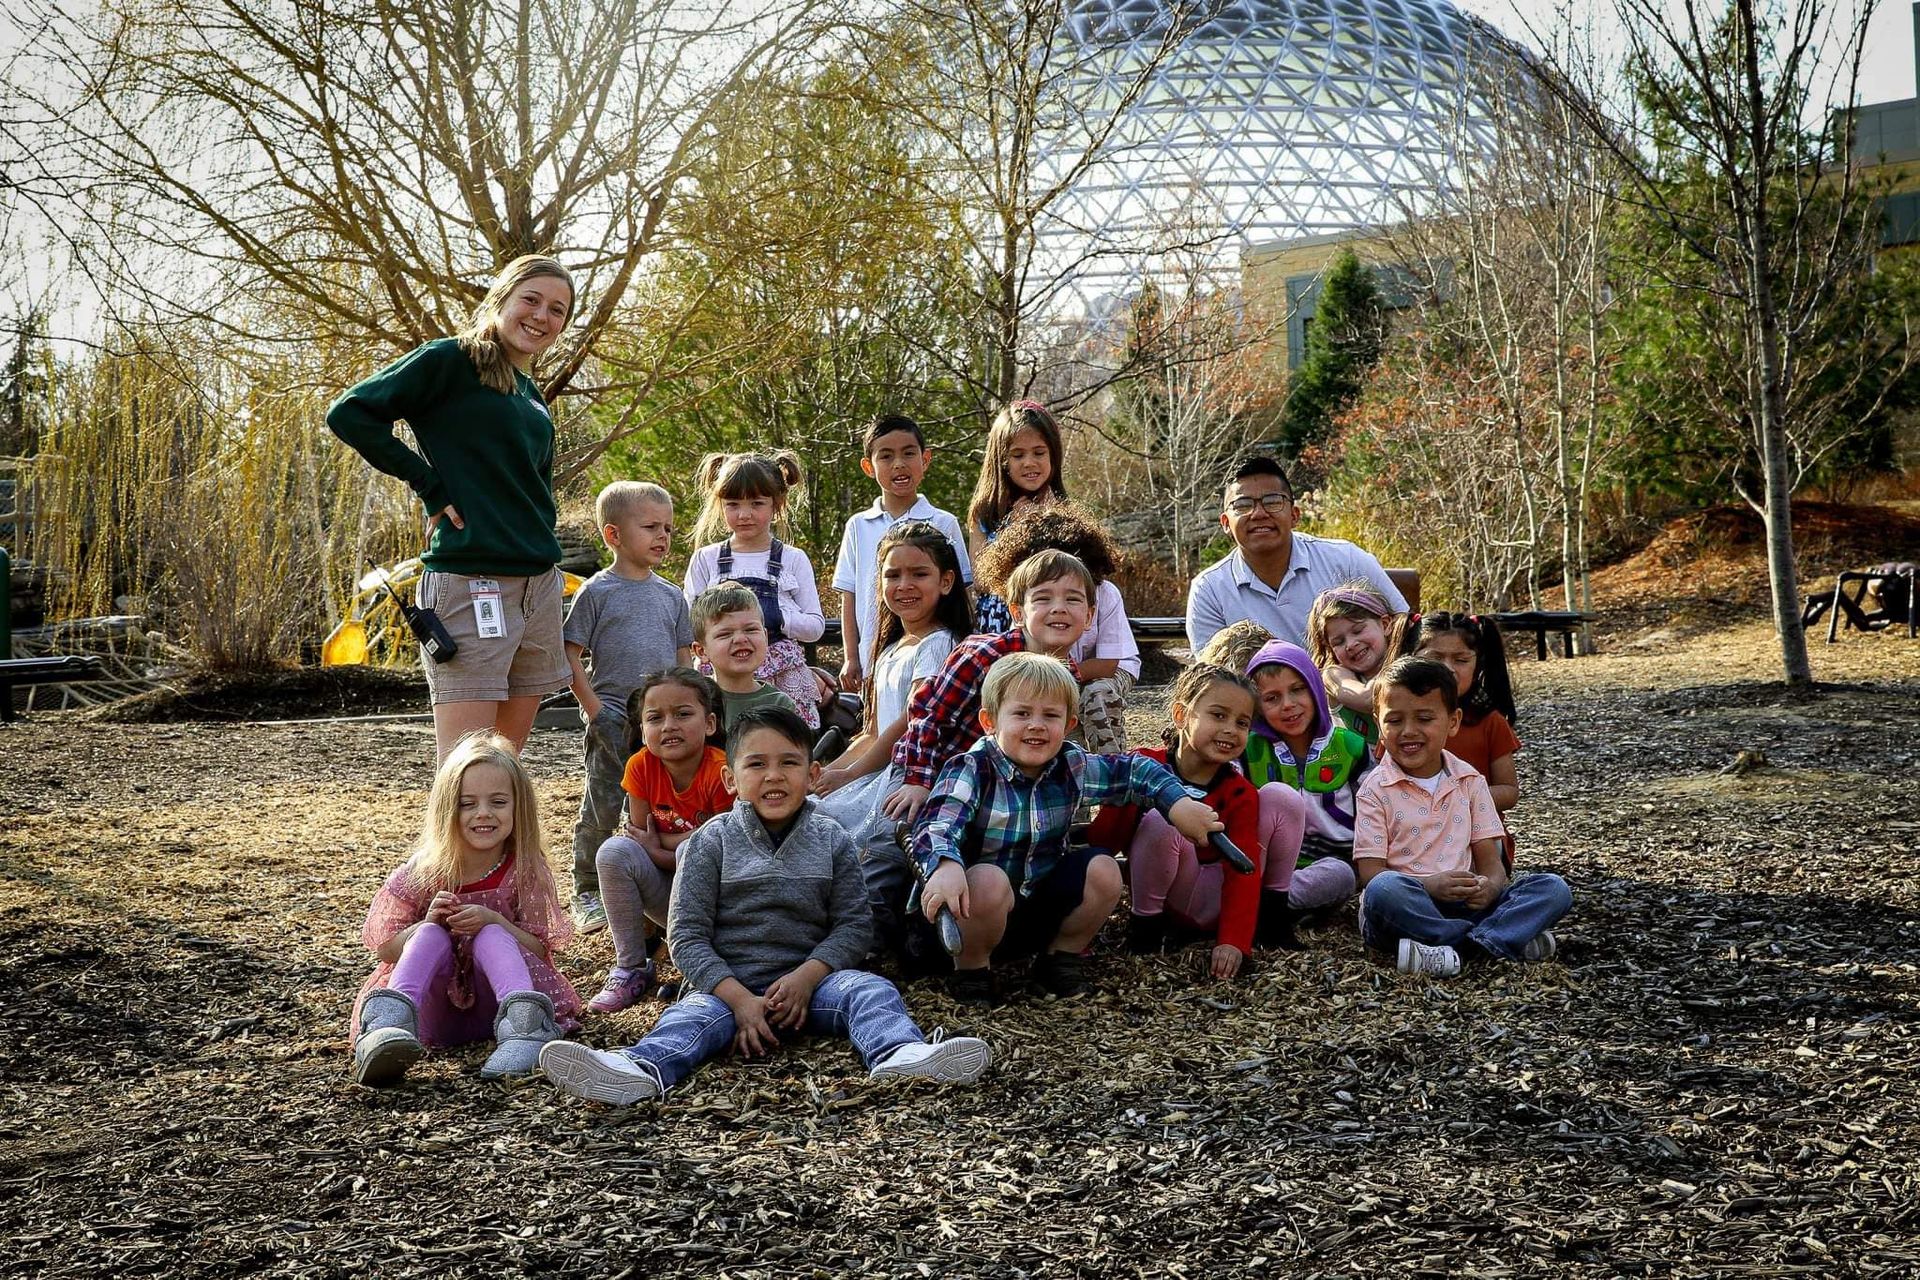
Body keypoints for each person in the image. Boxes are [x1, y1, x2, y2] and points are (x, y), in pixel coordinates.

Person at [539, 707, 994, 1104]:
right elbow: (686, 936)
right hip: (727, 990)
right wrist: (738, 1000)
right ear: (730, 779)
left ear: (813, 774)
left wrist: (806, 977)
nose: (773, 776)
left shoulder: (832, 839)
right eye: (756, 764)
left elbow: (854, 926)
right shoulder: (709, 843)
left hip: (814, 986)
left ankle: (901, 1054)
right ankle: (637, 1069)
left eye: (789, 763)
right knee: (688, 1019)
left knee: (871, 992)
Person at [328, 255, 576, 760]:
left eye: (557, 310)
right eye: (530, 299)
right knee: (468, 766)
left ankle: (503, 844)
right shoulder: (450, 361)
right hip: (472, 581)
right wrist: (429, 486)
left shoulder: (528, 391)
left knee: (505, 763)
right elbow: (350, 413)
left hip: (538, 587)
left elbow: (533, 487)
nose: (541, 316)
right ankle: (449, 845)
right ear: (501, 299)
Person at [911, 653, 1223, 1004]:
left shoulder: (1070, 765)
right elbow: (936, 824)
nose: (1037, 725)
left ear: (1069, 723)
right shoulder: (973, 768)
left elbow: (1135, 770)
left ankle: (1058, 958)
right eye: (1022, 713)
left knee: (1104, 869)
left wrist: (1178, 803)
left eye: (1051, 715)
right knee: (988, 880)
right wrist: (944, 865)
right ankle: (971, 973)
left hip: (1031, 910)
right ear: (989, 721)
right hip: (966, 915)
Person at [351, 732, 581, 1086]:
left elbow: (541, 948)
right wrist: (425, 924)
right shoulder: (422, 872)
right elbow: (385, 948)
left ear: (519, 808)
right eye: (467, 803)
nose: (483, 813)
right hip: (428, 1012)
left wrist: (496, 921)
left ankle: (525, 1030)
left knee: (491, 932)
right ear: (446, 808)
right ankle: (387, 1028)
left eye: (498, 802)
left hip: (497, 1010)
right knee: (429, 932)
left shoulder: (524, 870)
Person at [1353, 657, 1571, 976]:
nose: (1409, 731)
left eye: (1425, 718)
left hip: (1466, 906)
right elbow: (1371, 874)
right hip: (1408, 909)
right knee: (1384, 890)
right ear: (1379, 724)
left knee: (1553, 888)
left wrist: (1490, 887)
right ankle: (1495, 941)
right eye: (1395, 720)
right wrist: (1428, 886)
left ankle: (1457, 947)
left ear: (1453, 721)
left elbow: (1491, 863)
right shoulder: (1374, 789)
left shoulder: (1470, 781)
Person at [815, 522, 972, 955]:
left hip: (909, 772)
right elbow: (870, 730)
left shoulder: (941, 645)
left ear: (946, 581)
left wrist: (850, 774)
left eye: (918, 574)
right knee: (810, 808)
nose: (904, 585)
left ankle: (868, 936)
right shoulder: (889, 649)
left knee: (872, 839)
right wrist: (828, 772)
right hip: (875, 767)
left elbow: (910, 722)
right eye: (892, 575)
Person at [1093, 664, 1311, 975]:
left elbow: (1243, 866)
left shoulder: (1239, 791)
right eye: (1218, 715)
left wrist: (1234, 941)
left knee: (1283, 797)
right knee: (1161, 819)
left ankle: (1272, 918)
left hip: (1219, 898)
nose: (1230, 729)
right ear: (1182, 716)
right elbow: (1103, 839)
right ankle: (1146, 929)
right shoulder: (1143, 767)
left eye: (1242, 723)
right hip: (1174, 894)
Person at [563, 480, 693, 933]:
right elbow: (570, 653)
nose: (663, 537)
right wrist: (595, 709)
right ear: (613, 535)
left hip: (662, 724)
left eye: (669, 529)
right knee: (603, 803)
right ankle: (586, 890)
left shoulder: (673, 596)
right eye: (651, 527)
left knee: (657, 803)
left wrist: (683, 710)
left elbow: (683, 662)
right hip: (613, 717)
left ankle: (652, 885)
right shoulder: (597, 592)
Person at [885, 548, 1096, 824]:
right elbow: (929, 715)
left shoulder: (1069, 676)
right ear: (1018, 612)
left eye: (1073, 599)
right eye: (1043, 598)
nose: (1059, 608)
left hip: (992, 786)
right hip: (928, 765)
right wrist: (918, 779)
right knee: (897, 835)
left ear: (1090, 616)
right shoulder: (984, 656)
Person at [586, 668, 733, 1014]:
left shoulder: (720, 769)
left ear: (709, 723)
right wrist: (665, 847)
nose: (669, 725)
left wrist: (662, 847)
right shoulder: (640, 766)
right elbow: (639, 839)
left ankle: (702, 966)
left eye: (683, 714)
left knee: (692, 849)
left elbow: (721, 844)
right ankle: (631, 967)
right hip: (668, 896)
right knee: (613, 851)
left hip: (720, 906)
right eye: (655, 718)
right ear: (642, 729)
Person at [1185, 455, 1407, 654]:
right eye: (1243, 505)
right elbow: (1214, 676)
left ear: (1294, 515)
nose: (1259, 514)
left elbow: (1404, 626)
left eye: (1272, 502)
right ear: (1225, 522)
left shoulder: (1345, 559)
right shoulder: (1209, 590)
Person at [973, 500, 1139, 756]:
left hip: (1107, 668)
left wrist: (1059, 679)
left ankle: (1111, 762)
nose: (1057, 571)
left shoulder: (1105, 593)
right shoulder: (1027, 599)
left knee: (1097, 694)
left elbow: (1107, 664)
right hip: (1052, 666)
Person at [684, 451, 828, 729]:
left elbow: (815, 626)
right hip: (722, 674)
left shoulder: (792, 558)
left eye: (757, 503)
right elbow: (691, 621)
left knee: (783, 737)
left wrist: (780, 616)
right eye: (733, 504)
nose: (744, 514)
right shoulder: (706, 558)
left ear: (776, 504)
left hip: (782, 672)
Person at [1241, 639, 1373, 939]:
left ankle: (1258, 906)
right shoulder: (1250, 751)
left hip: (1333, 861)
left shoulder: (1350, 747)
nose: (1288, 704)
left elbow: (1376, 808)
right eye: (1272, 697)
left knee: (1338, 878)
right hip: (1267, 862)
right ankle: (1269, 904)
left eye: (1298, 689)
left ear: (1315, 688)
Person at [831, 414, 973, 688]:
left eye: (909, 453)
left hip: (934, 659)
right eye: (885, 456)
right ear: (868, 466)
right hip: (874, 660)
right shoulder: (858, 526)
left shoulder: (943, 523)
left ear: (925, 459)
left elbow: (962, 591)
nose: (899, 464)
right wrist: (851, 656)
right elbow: (849, 595)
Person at [1406, 611, 1521, 862]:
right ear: (1411, 659)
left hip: (1479, 841)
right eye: (1435, 658)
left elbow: (1509, 791)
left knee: (1553, 890)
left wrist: (1457, 799)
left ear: (1478, 664)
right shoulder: (1401, 720)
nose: (1448, 669)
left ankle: (1484, 891)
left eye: (1461, 659)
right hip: (1413, 837)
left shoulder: (1490, 722)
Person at [967, 400, 1070, 635]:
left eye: (1039, 452)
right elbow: (982, 581)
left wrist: (1045, 522)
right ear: (1002, 461)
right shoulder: (985, 512)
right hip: (997, 625)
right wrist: (1016, 529)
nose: (1029, 462)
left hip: (1048, 623)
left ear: (1053, 455)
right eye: (1017, 455)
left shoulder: (1064, 512)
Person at [1305, 580, 1408, 752]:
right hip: (1357, 774)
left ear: (1385, 625)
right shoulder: (1334, 675)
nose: (1351, 644)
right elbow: (1368, 698)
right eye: (1338, 641)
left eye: (1358, 630)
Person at [689, 583, 801, 735]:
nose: (741, 639)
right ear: (701, 651)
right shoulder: (693, 701)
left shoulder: (779, 704)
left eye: (750, 630)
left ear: (765, 637)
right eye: (725, 634)